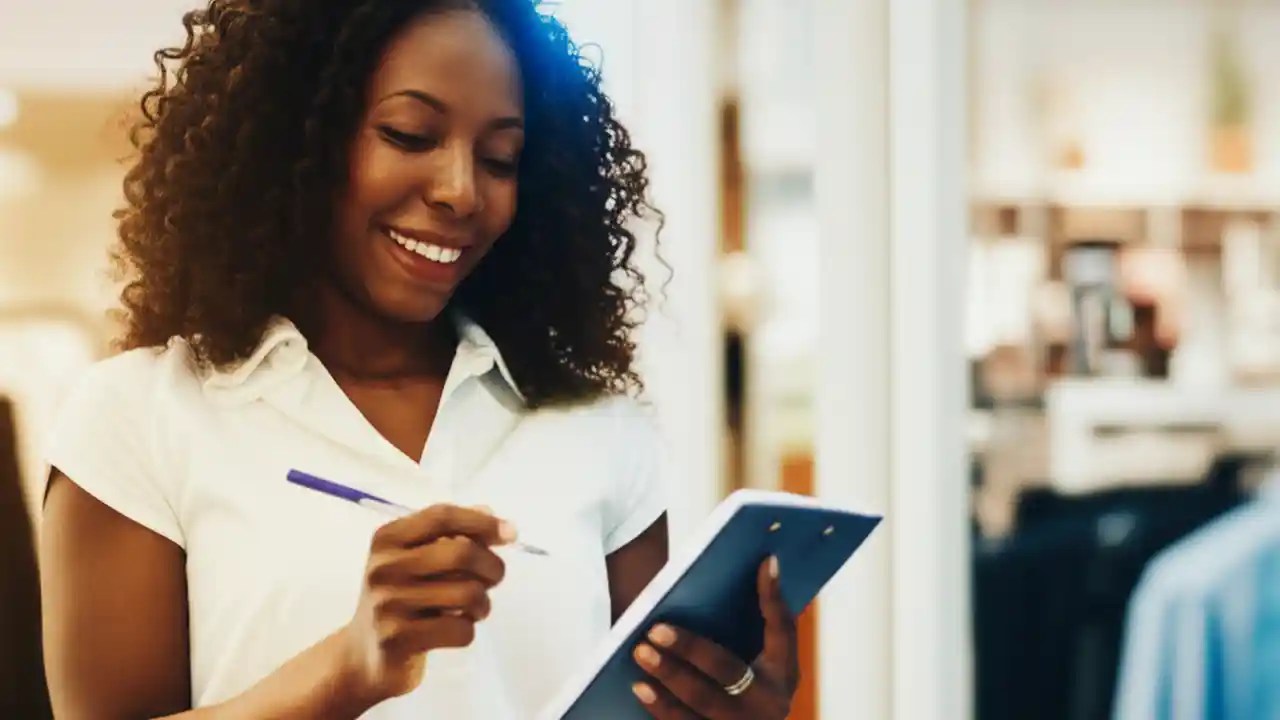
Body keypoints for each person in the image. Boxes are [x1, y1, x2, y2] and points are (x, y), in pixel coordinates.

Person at [38, 1, 799, 718]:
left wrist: (732, 704)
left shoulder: (600, 431)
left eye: (501, 158)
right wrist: (345, 671)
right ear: (297, 139)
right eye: (409, 135)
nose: (461, 191)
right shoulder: (139, 420)